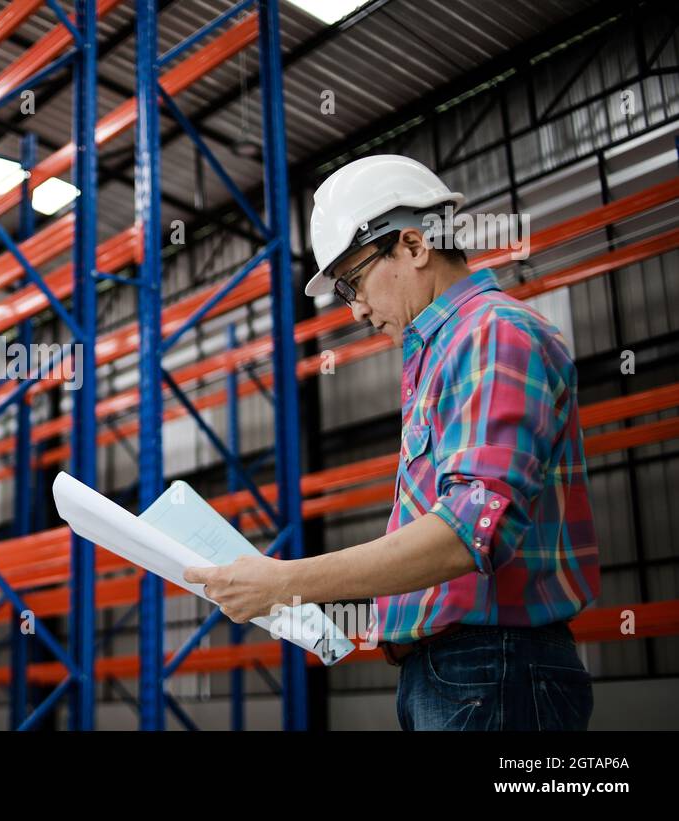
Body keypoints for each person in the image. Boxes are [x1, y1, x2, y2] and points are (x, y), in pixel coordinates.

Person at [185, 154, 600, 730]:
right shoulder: (443, 350)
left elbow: (468, 532)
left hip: (492, 671)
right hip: (459, 675)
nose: (354, 309)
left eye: (354, 282)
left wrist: (285, 583)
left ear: (412, 245)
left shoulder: (493, 333)